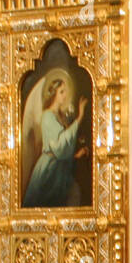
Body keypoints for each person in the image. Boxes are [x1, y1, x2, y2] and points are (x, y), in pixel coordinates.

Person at [23, 74, 88, 208]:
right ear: (54, 94)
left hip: (60, 169)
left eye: (65, 91)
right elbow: (59, 146)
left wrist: (76, 155)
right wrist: (79, 118)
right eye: (61, 92)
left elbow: (64, 145)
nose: (65, 95)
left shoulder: (61, 116)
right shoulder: (47, 116)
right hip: (49, 171)